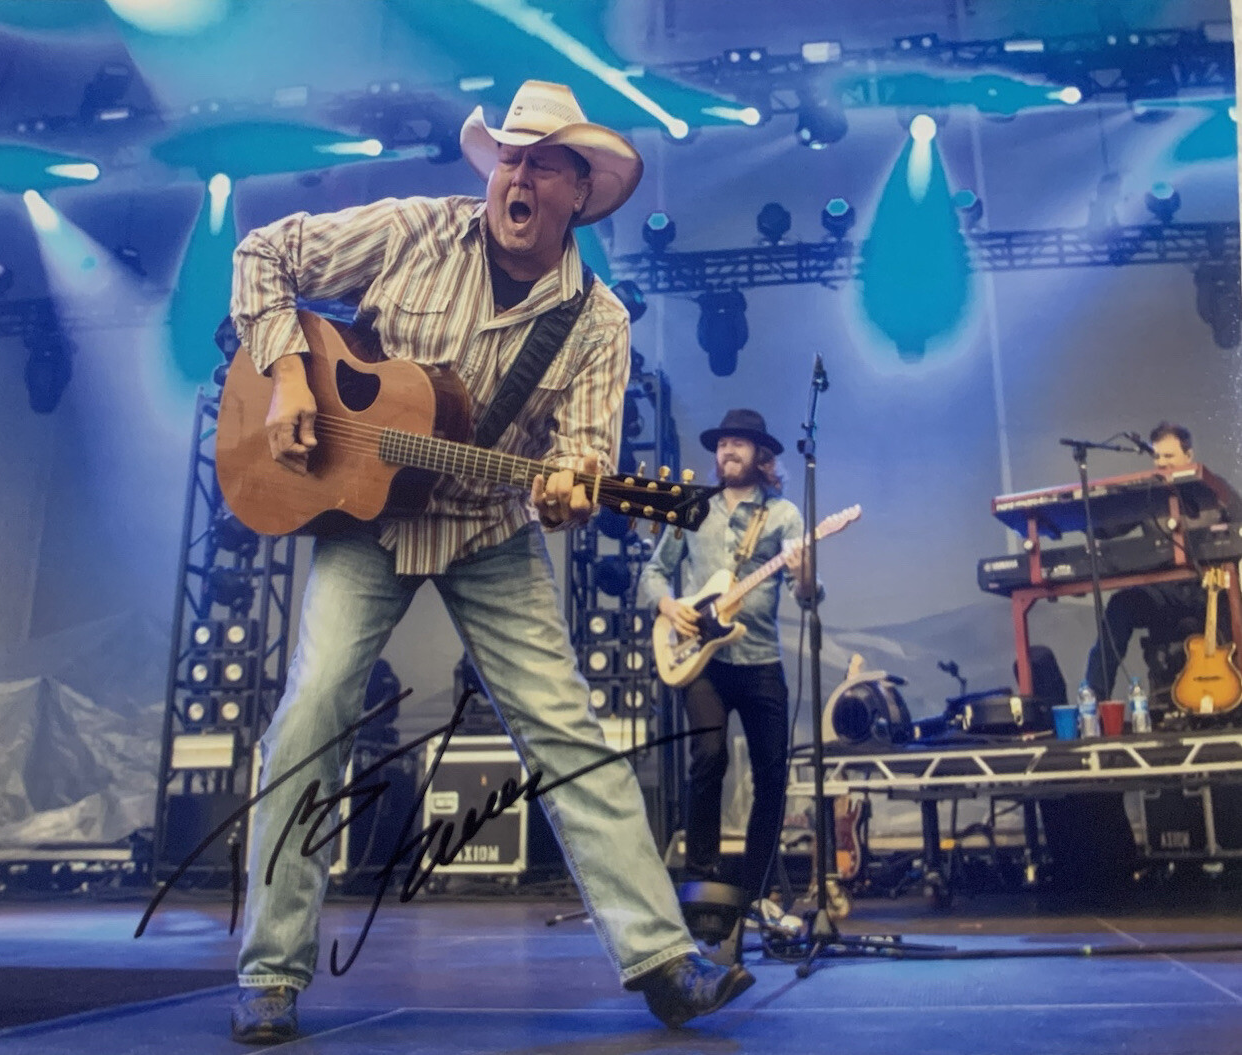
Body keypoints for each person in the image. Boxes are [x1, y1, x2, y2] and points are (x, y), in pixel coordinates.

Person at [227, 80, 753, 1044]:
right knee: (311, 711)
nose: (517, 177)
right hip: (367, 521)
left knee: (567, 728)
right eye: (509, 157)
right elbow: (264, 252)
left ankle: (664, 960)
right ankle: (268, 972)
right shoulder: (414, 230)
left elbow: (580, 454)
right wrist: (292, 375)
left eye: (541, 164)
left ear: (578, 191)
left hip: (486, 526)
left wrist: (569, 489)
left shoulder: (596, 321)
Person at [638, 409, 818, 909]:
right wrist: (668, 606)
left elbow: (805, 595)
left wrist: (804, 574)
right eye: (722, 443)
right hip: (703, 663)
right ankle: (701, 881)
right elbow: (654, 572)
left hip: (760, 660)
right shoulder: (693, 508)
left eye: (738, 442)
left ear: (761, 455)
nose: (727, 450)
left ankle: (758, 891)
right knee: (708, 758)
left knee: (772, 776)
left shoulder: (784, 516)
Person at [1083, 421, 1239, 699]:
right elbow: (1109, 528)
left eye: (1169, 455)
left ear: (1188, 455)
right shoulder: (1147, 493)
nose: (1162, 462)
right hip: (1164, 594)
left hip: (1212, 591)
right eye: (1157, 456)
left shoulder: (1215, 488)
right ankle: (1093, 698)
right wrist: (1082, 513)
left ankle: (1232, 696)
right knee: (1120, 606)